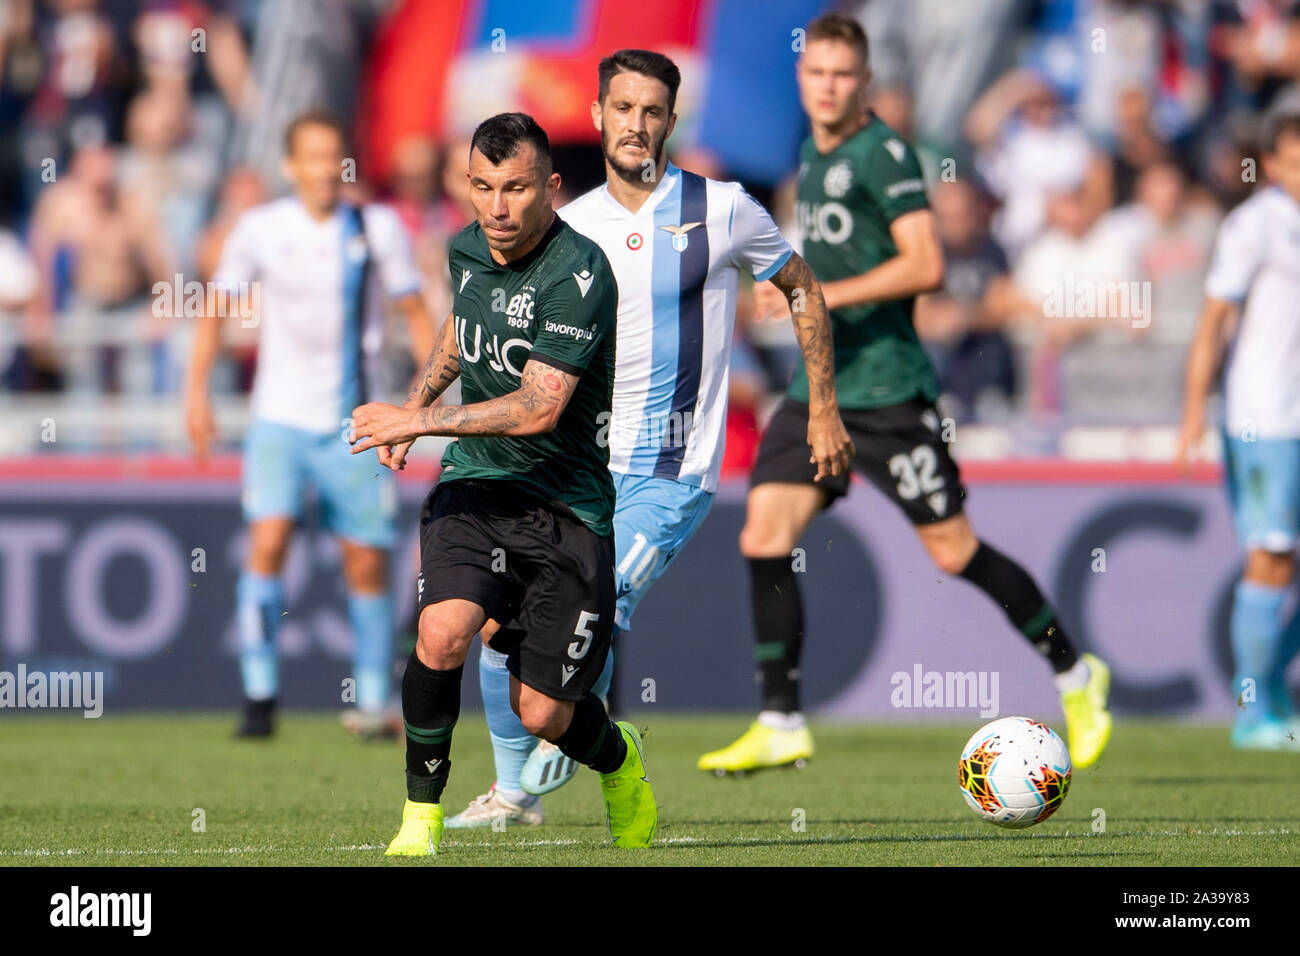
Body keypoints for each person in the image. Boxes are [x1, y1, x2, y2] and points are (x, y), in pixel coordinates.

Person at [443, 49, 851, 828]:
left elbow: (801, 288)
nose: (636, 125)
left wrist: (822, 407)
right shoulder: (570, 227)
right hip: (575, 468)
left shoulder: (724, 209)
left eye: (652, 111)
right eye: (622, 109)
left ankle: (565, 737)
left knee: (597, 596)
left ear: (672, 118)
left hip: (671, 468)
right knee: (500, 622)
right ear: (598, 115)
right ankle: (513, 795)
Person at [699, 13, 1113, 775]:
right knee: (763, 534)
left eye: (841, 75)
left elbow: (925, 265)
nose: (827, 87)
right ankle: (782, 718)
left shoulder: (884, 155)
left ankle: (1076, 675)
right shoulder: (810, 154)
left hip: (888, 391)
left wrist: (816, 294)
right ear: (803, 78)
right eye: (815, 73)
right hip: (817, 386)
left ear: (864, 82)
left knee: (954, 552)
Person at [348, 112, 656, 854]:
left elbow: (539, 407)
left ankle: (620, 763)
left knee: (544, 713)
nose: (497, 207)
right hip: (476, 491)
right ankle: (420, 816)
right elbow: (463, 325)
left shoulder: (580, 273)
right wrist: (419, 407)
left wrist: (415, 422)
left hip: (566, 509)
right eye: (481, 187)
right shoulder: (465, 248)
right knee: (442, 629)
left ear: (550, 186)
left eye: (515, 188)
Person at [185, 109, 437, 738]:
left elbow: (416, 313)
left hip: (355, 418)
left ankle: (373, 699)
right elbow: (215, 310)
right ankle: (260, 694)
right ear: (290, 165)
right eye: (314, 156)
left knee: (365, 558)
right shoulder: (262, 228)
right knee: (267, 544)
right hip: (278, 417)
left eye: (335, 155)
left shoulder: (375, 226)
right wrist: (196, 393)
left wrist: (418, 405)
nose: (327, 169)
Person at [1176, 113, 1300, 751]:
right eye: (1293, 160)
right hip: (1265, 418)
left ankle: (1277, 694)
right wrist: (1194, 412)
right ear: (1272, 164)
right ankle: (1253, 709)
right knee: (1272, 554)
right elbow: (1213, 319)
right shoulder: (1255, 224)